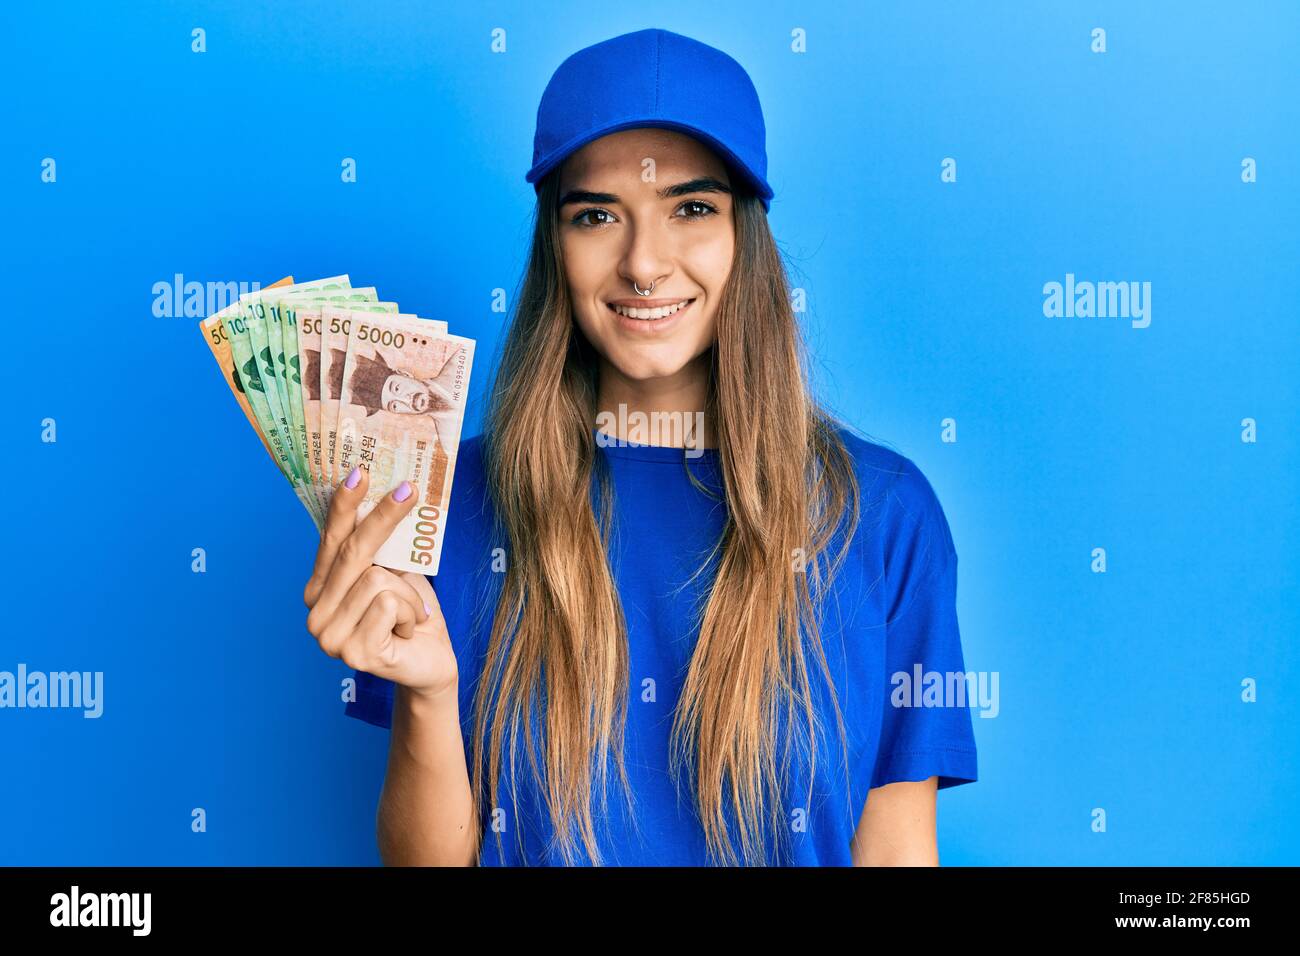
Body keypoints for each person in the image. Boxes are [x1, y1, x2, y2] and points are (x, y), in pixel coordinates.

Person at [303, 27, 977, 867]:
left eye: (692, 209)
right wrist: (432, 697)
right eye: (596, 216)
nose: (645, 264)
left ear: (746, 238)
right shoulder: (449, 501)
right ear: (556, 245)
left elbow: (897, 852)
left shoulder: (885, 513)